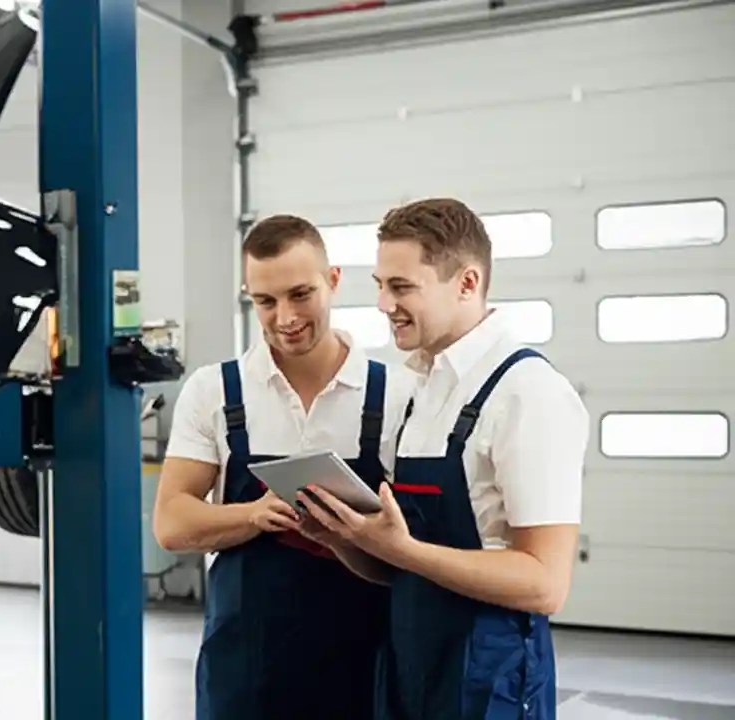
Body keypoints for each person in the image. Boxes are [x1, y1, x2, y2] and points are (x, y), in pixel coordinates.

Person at [295, 198, 589, 720]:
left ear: (467, 283)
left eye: (402, 287)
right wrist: (345, 540)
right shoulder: (416, 390)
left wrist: (403, 552)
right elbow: (401, 568)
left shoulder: (528, 393)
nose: (384, 304)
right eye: (380, 285)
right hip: (411, 665)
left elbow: (545, 583)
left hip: (491, 681)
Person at [153, 214, 416, 720]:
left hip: (364, 665)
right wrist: (252, 514)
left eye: (301, 295)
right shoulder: (215, 391)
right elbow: (172, 523)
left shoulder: (398, 394)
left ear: (333, 280)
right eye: (265, 301)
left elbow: (419, 537)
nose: (285, 317)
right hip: (246, 669)